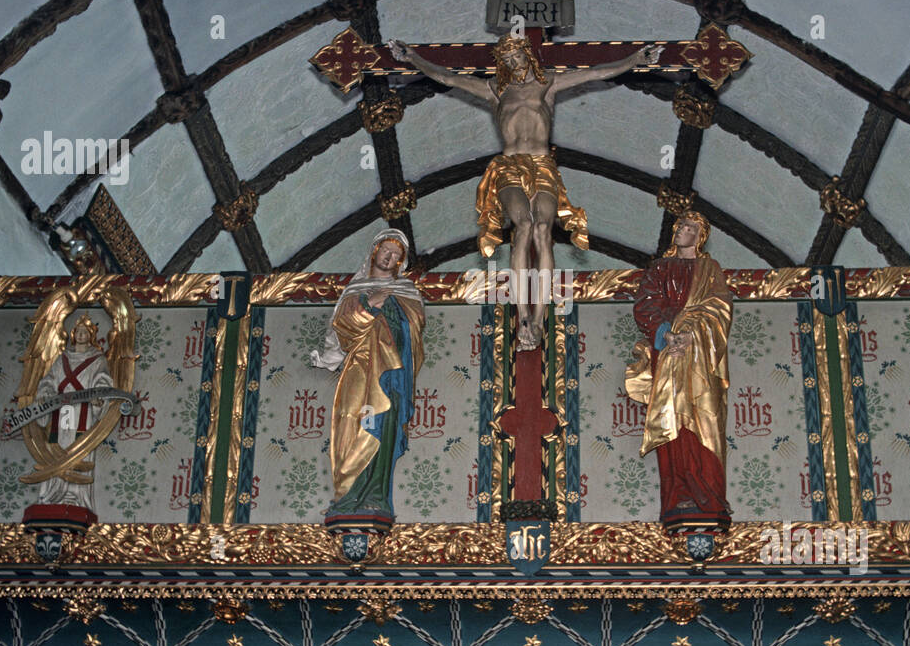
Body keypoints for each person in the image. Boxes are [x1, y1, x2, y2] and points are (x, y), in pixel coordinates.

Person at [390, 35, 661, 350]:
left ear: (529, 57)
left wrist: (634, 60)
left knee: (545, 228)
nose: (514, 65)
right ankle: (522, 317)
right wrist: (414, 58)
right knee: (524, 225)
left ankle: (540, 315)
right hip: (509, 166)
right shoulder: (495, 89)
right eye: (507, 61)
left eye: (518, 58)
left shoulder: (548, 85)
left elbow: (597, 72)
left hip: (543, 165)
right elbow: (449, 78)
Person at [624, 211, 733, 529]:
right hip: (669, 353)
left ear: (700, 236)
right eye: (680, 226)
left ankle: (709, 495)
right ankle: (679, 494)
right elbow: (645, 304)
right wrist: (666, 332)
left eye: (689, 228)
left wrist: (693, 331)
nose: (681, 231)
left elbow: (720, 308)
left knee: (706, 422)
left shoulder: (710, 269)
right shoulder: (660, 268)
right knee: (673, 424)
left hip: (700, 354)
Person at [311, 228, 424, 527]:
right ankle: (349, 494)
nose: (390, 258)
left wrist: (392, 307)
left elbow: (413, 330)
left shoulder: (407, 292)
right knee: (357, 424)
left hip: (392, 377)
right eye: (387, 251)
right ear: (374, 251)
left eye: (397, 256)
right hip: (360, 373)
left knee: (384, 429)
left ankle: (377, 495)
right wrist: (369, 304)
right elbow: (343, 328)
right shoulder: (355, 290)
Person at [34, 313, 112, 510]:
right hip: (64, 411)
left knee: (79, 448)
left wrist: (98, 396)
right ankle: (54, 494)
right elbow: (50, 380)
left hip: (83, 412)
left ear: (91, 336)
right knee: (59, 445)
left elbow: (102, 380)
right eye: (78, 331)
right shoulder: (63, 359)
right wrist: (46, 394)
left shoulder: (97, 359)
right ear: (73, 334)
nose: (81, 335)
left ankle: (75, 497)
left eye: (86, 332)